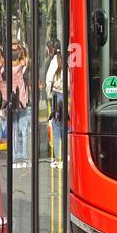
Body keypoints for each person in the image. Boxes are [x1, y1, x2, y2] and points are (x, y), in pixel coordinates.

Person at [10, 42, 31, 169]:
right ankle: (23, 155)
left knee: (14, 129)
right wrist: (23, 50)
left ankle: (13, 156)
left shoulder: (7, 69)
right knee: (23, 130)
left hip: (12, 102)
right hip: (22, 101)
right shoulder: (22, 68)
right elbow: (26, 60)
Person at [44, 37, 64, 168]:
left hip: (57, 95)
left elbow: (48, 79)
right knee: (65, 127)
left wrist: (48, 95)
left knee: (56, 127)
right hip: (67, 95)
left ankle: (58, 159)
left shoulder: (54, 61)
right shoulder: (66, 59)